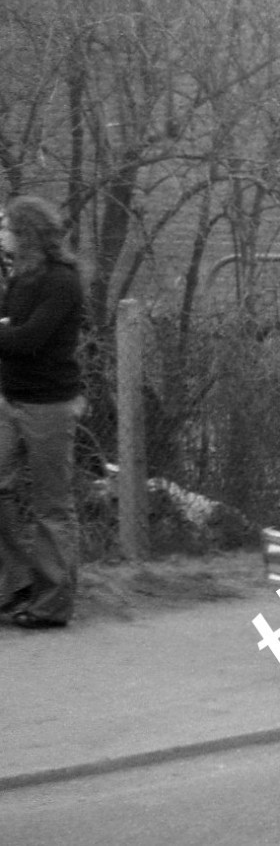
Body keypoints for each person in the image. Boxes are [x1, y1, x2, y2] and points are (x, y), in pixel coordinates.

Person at [0, 196, 86, 628]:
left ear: (27, 233)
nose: (2, 234)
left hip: (49, 405)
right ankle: (15, 584)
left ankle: (52, 603)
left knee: (51, 505)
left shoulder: (62, 281)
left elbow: (27, 340)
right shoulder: (21, 276)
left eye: (7, 228)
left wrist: (5, 331)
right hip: (10, 399)